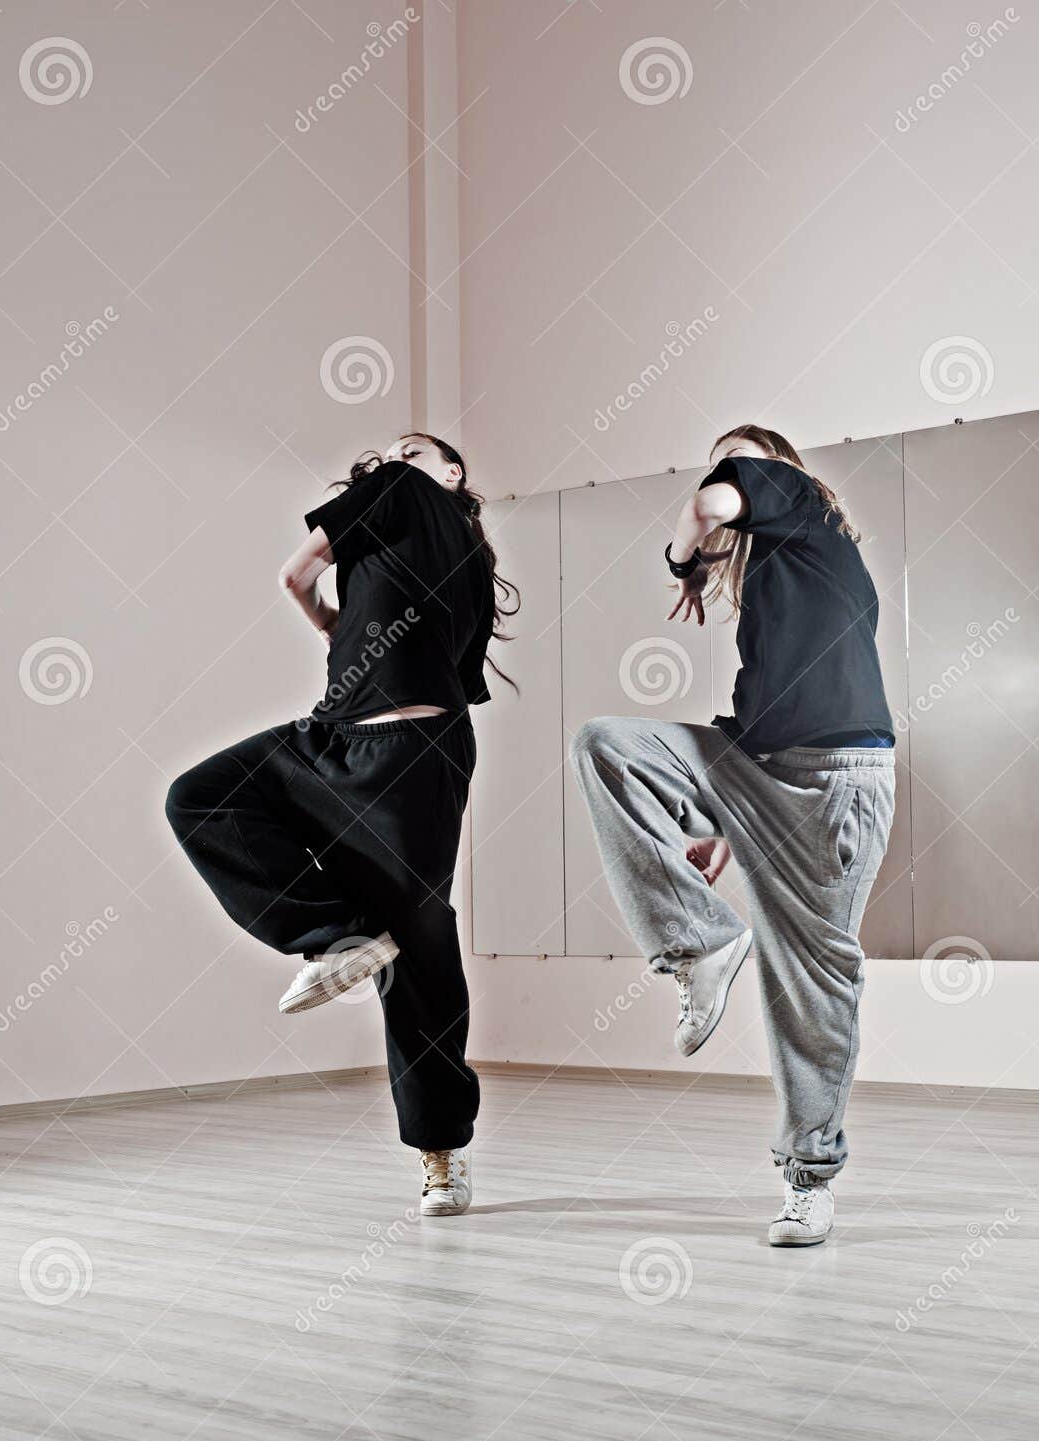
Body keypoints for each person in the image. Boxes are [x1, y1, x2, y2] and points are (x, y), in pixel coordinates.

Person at [165, 433, 517, 1217]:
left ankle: (436, 1145)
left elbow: (293, 575)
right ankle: (342, 940)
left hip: (381, 752)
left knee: (203, 799)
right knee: (411, 941)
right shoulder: (473, 564)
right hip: (380, 743)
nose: (393, 455)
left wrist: (327, 623)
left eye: (412, 448)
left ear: (451, 471)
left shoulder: (395, 488)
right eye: (389, 449)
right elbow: (456, 680)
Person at [570, 424, 895, 1247]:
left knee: (808, 982)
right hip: (761, 765)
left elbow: (707, 505)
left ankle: (809, 1177)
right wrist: (721, 819)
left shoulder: (797, 497)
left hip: (833, 783)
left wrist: (683, 560)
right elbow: (774, 705)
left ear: (774, 468)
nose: (733, 471)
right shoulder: (787, 567)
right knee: (609, 743)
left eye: (742, 458)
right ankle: (699, 943)